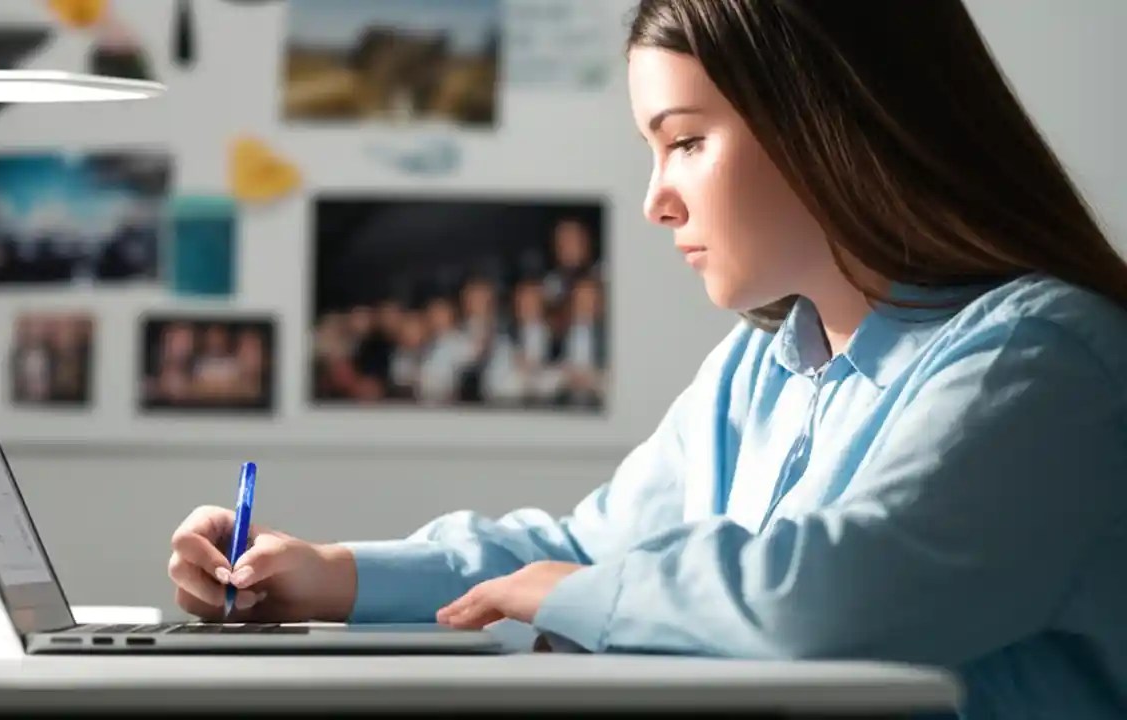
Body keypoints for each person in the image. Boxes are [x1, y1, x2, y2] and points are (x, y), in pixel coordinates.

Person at [167, 2, 1127, 718]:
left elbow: (836, 597)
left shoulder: (1043, 357)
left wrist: (573, 595)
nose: (656, 202)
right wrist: (333, 575)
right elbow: (587, 549)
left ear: (835, 120)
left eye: (686, 143)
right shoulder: (759, 373)